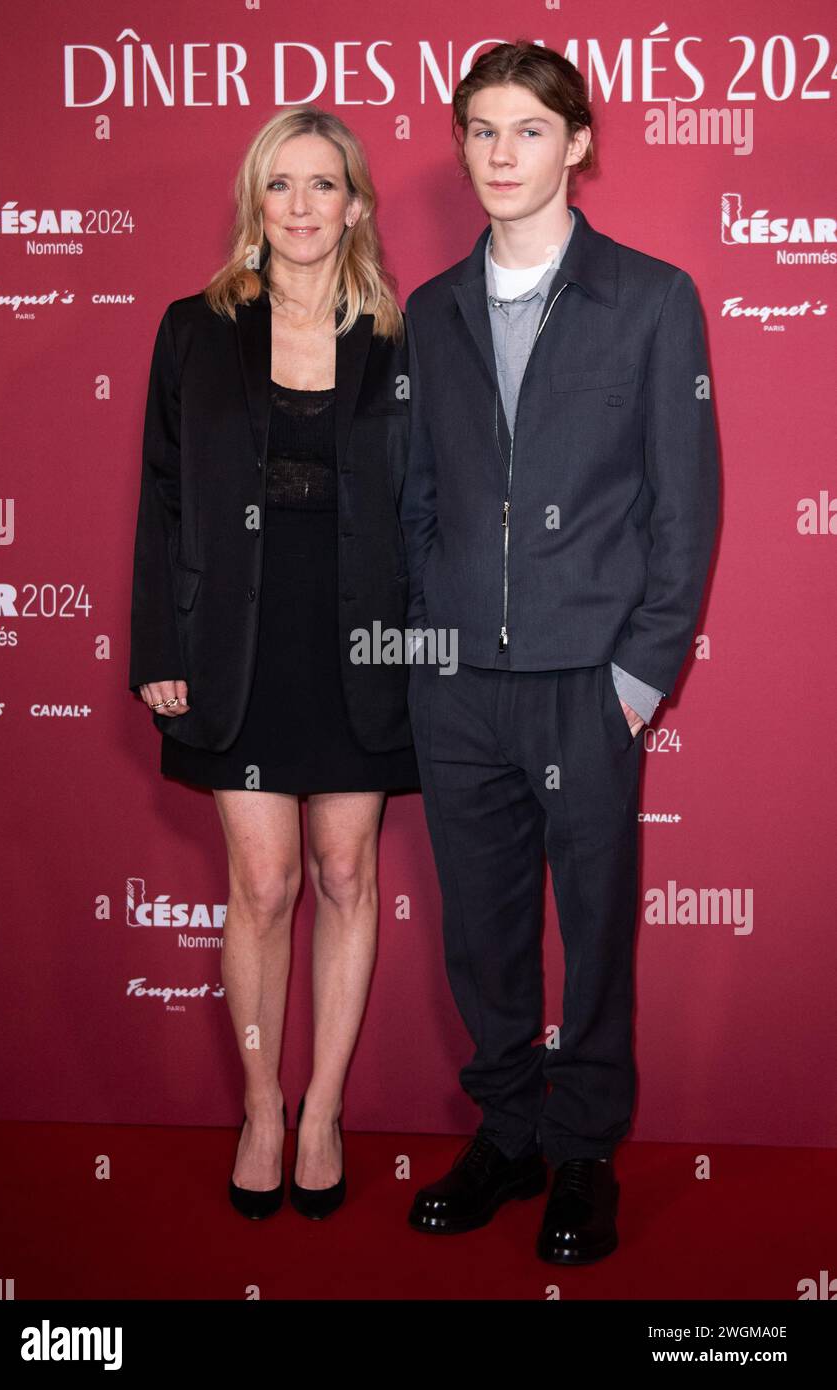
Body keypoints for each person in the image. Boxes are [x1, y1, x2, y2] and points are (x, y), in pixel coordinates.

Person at [400, 41, 719, 1262]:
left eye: (527, 130)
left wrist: (636, 675)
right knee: (480, 930)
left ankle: (582, 1152)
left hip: (588, 682)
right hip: (459, 687)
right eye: (480, 130)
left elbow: (681, 506)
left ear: (576, 144)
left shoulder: (651, 298)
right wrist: (433, 645)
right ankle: (508, 1133)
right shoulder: (429, 312)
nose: (499, 154)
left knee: (590, 925)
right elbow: (418, 498)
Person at [128, 105, 419, 1222]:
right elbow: (161, 496)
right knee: (262, 883)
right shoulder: (191, 329)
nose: (301, 207)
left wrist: (426, 648)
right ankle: (259, 1102)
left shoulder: (403, 337)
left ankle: (325, 1109)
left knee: (347, 872)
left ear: (355, 204)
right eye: (281, 185)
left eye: (324, 185)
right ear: (257, 200)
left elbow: (428, 508)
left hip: (363, 640)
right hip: (231, 640)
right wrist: (159, 644)